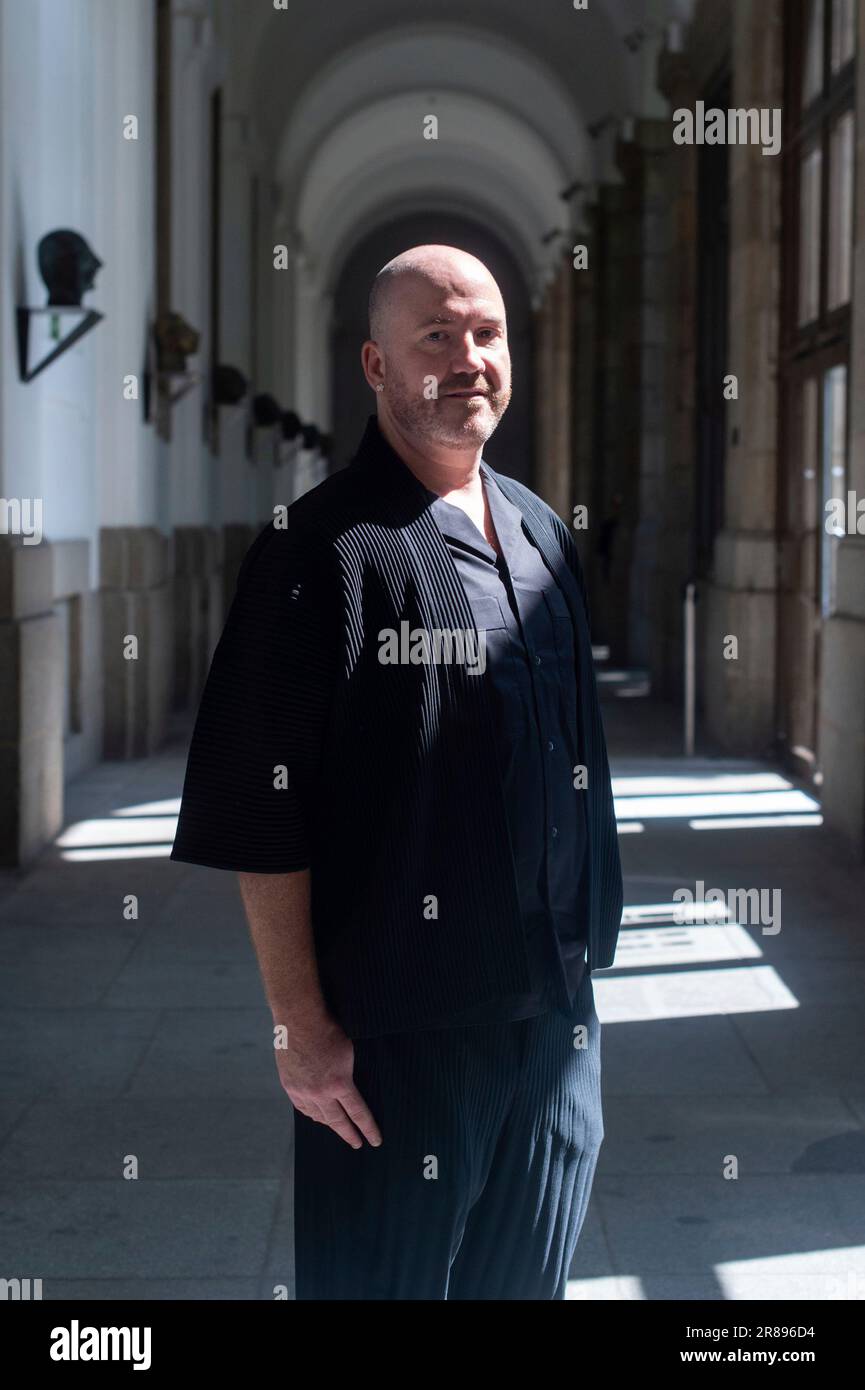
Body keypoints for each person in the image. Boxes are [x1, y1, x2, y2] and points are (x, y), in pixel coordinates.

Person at [170, 244, 623, 1299]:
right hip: (395, 1038)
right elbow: (258, 809)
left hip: (553, 1024)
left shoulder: (544, 536)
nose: (470, 358)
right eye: (437, 336)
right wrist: (300, 1027)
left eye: (488, 334)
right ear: (376, 365)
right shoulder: (318, 550)